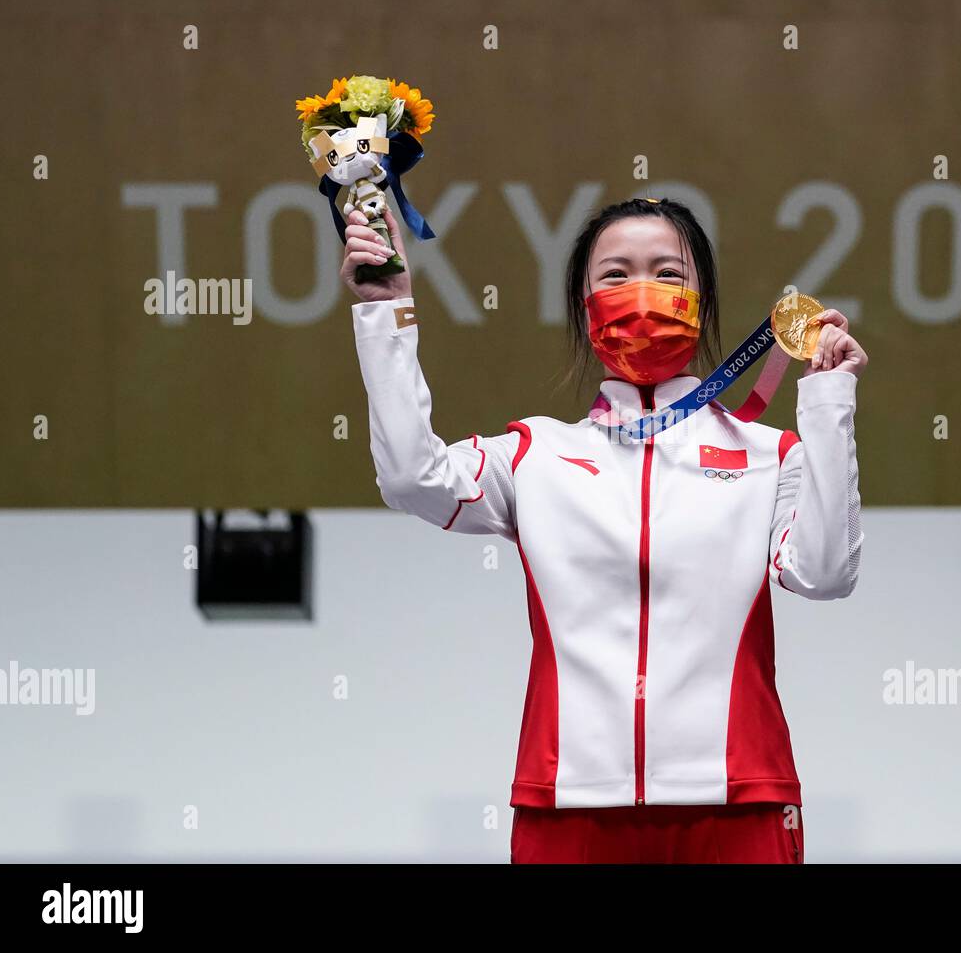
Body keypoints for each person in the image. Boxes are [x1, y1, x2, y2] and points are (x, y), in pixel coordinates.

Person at [342, 197, 866, 863]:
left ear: (703, 303)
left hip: (741, 803)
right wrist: (387, 310)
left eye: (667, 274)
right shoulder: (537, 455)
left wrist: (827, 400)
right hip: (567, 807)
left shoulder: (772, 455)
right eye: (614, 276)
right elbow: (410, 478)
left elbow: (825, 575)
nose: (640, 292)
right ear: (584, 306)